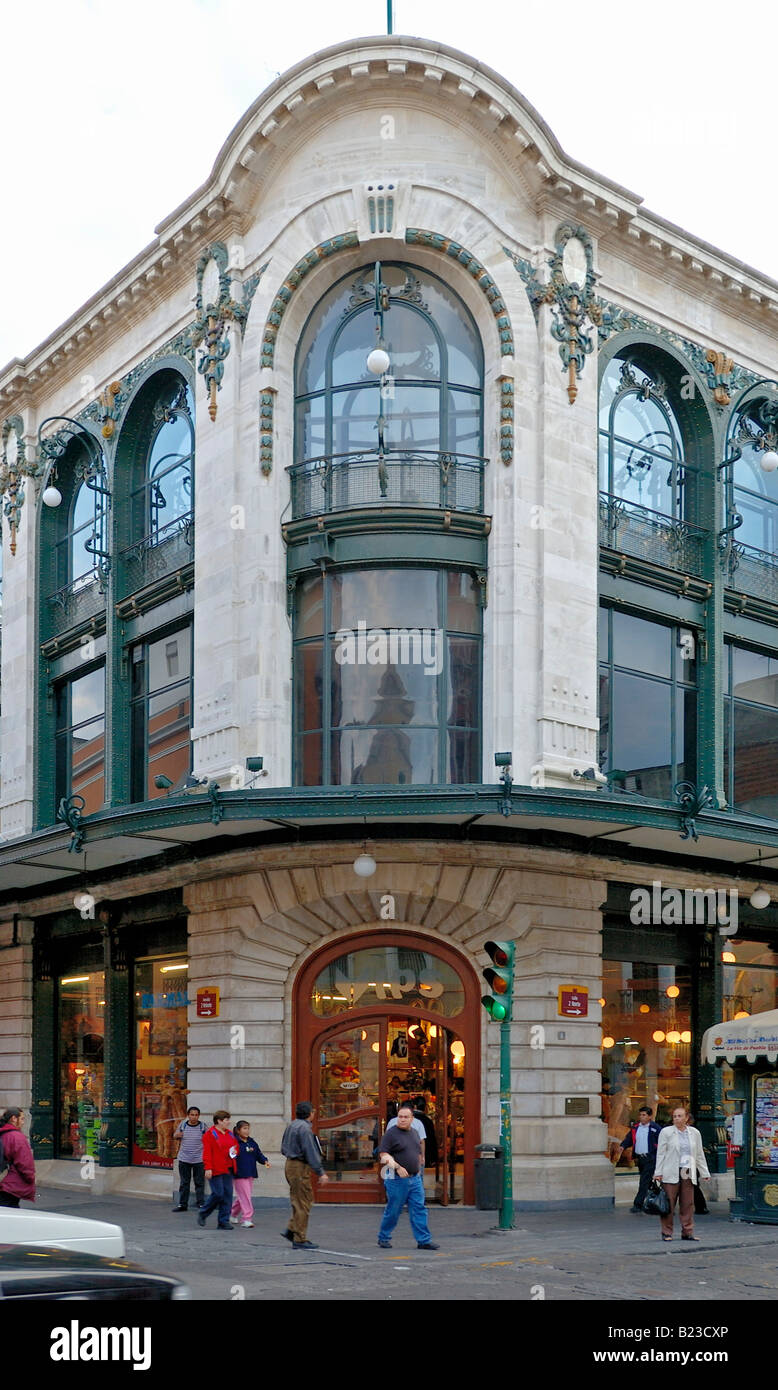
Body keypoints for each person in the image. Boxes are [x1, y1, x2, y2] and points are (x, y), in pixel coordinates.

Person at [377, 1103, 439, 1251]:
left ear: (412, 1119)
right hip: (396, 1179)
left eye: (406, 1117)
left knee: (419, 1208)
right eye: (400, 1117)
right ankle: (383, 1237)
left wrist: (418, 1166)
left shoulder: (414, 1133)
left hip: (414, 1178)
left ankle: (423, 1240)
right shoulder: (391, 1134)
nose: (402, 1119)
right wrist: (397, 1167)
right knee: (394, 1209)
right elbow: (383, 1155)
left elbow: (417, 1150)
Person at [654, 1105, 711, 1242]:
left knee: (688, 1203)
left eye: (680, 1116)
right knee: (669, 1203)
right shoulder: (666, 1132)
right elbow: (660, 1153)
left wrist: (704, 1172)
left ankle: (688, 1231)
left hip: (687, 1170)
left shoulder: (694, 1133)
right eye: (674, 1116)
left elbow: (699, 1154)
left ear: (686, 1118)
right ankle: (667, 1232)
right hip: (670, 1169)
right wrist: (658, 1172)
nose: (677, 1119)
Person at [280, 1101, 329, 1250]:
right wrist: (320, 1172)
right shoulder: (305, 1129)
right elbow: (310, 1151)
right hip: (299, 1166)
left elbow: (283, 1146)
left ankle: (292, 1229)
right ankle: (299, 1238)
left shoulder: (292, 1125)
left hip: (290, 1164)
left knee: (298, 1199)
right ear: (310, 1114)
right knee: (303, 1202)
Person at [197, 1111, 238, 1230]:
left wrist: (235, 1152)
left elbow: (235, 1147)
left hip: (228, 1168)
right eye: (226, 1120)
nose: (229, 1122)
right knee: (218, 1193)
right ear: (219, 1121)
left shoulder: (230, 1134)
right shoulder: (209, 1135)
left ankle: (223, 1221)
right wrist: (208, 1168)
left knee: (227, 1195)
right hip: (215, 1168)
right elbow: (207, 1153)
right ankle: (203, 1212)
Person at [618, 1105, 662, 1212]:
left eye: (644, 1115)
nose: (641, 1117)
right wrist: (623, 1146)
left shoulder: (655, 1128)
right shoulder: (636, 1128)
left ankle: (638, 1204)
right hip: (640, 1159)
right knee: (646, 1180)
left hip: (650, 1158)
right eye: (640, 1115)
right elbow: (629, 1138)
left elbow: (662, 1142)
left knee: (643, 1181)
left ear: (649, 1116)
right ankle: (657, 1193)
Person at [230, 1121, 270, 1227]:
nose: (247, 1131)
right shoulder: (234, 1143)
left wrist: (264, 1160)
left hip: (251, 1172)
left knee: (243, 1196)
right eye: (244, 1128)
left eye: (248, 1128)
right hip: (239, 1173)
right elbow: (230, 1157)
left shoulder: (251, 1142)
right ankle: (247, 1219)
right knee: (245, 1196)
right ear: (238, 1130)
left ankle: (232, 1213)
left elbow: (258, 1154)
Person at [172, 1106, 206, 1212]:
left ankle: (200, 1203)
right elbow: (175, 1135)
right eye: (192, 1115)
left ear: (198, 1116)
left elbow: (209, 1140)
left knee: (199, 1182)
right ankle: (182, 1204)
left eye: (196, 1115)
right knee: (184, 1183)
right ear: (188, 1115)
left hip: (199, 1159)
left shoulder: (203, 1126)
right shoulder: (183, 1125)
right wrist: (177, 1135)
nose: (194, 1117)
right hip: (184, 1158)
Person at [0, 1107, 35, 1208]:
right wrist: (30, 1178)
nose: (23, 1122)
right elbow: (24, 1162)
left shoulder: (3, 1133)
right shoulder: (16, 1136)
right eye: (22, 1119)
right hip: (11, 1184)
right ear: (14, 1119)